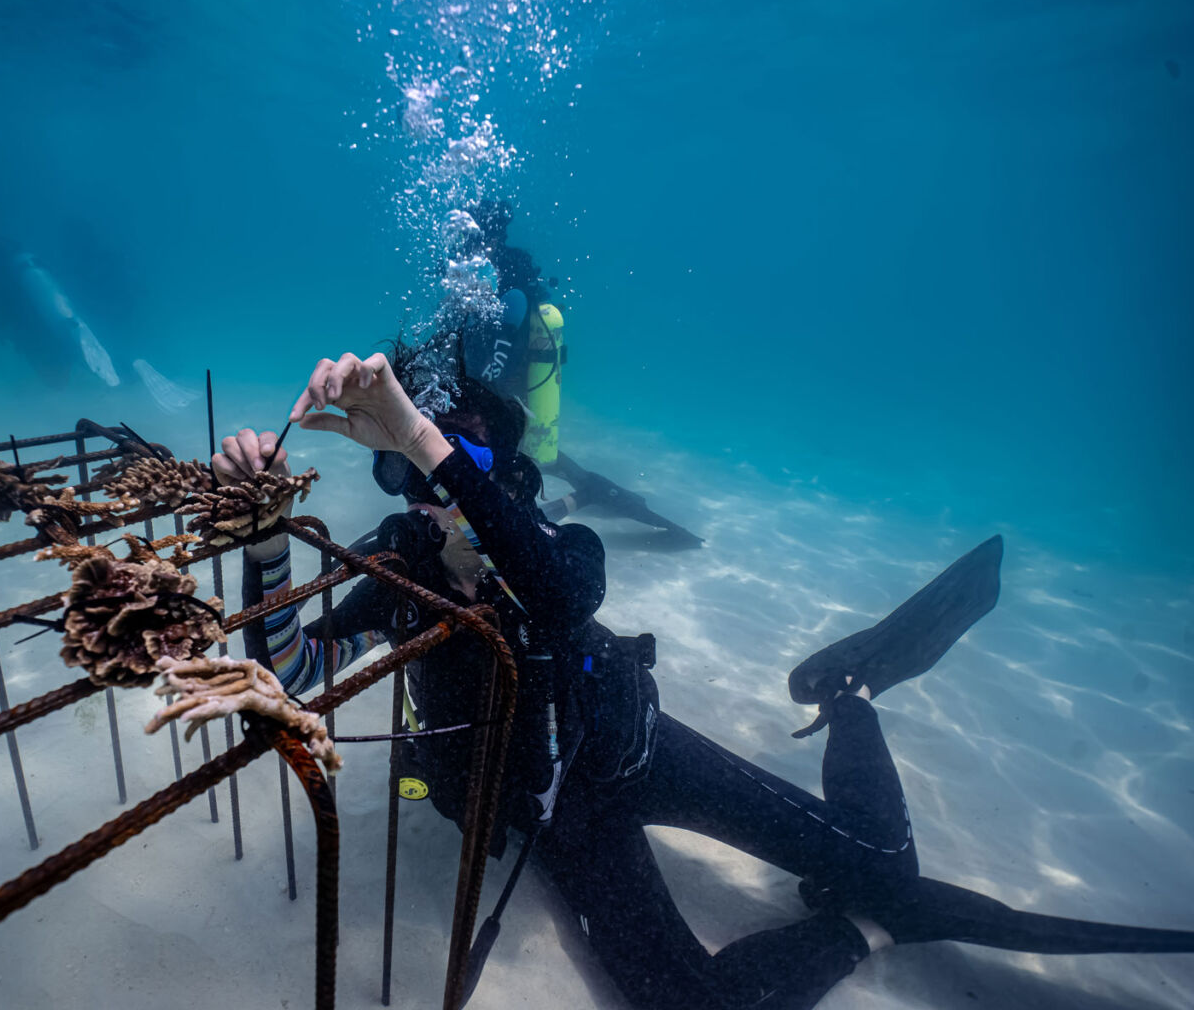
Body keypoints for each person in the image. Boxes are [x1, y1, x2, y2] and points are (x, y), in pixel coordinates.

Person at [216, 350, 1194, 1010]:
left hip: (637, 747)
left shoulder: (561, 541)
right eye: (407, 471)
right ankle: (866, 931)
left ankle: (847, 688)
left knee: (883, 856)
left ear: (496, 466)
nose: (428, 495)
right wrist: (264, 544)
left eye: (458, 460)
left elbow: (554, 595)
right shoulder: (398, 569)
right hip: (559, 812)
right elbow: (296, 673)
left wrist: (432, 451)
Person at [455, 200, 705, 547]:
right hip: (488, 382)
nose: (470, 245)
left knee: (507, 466)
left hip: (503, 383)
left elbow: (503, 344)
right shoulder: (470, 268)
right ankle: (593, 487)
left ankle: (587, 496)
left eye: (476, 236)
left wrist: (483, 389)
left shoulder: (508, 273)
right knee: (523, 453)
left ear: (489, 235)